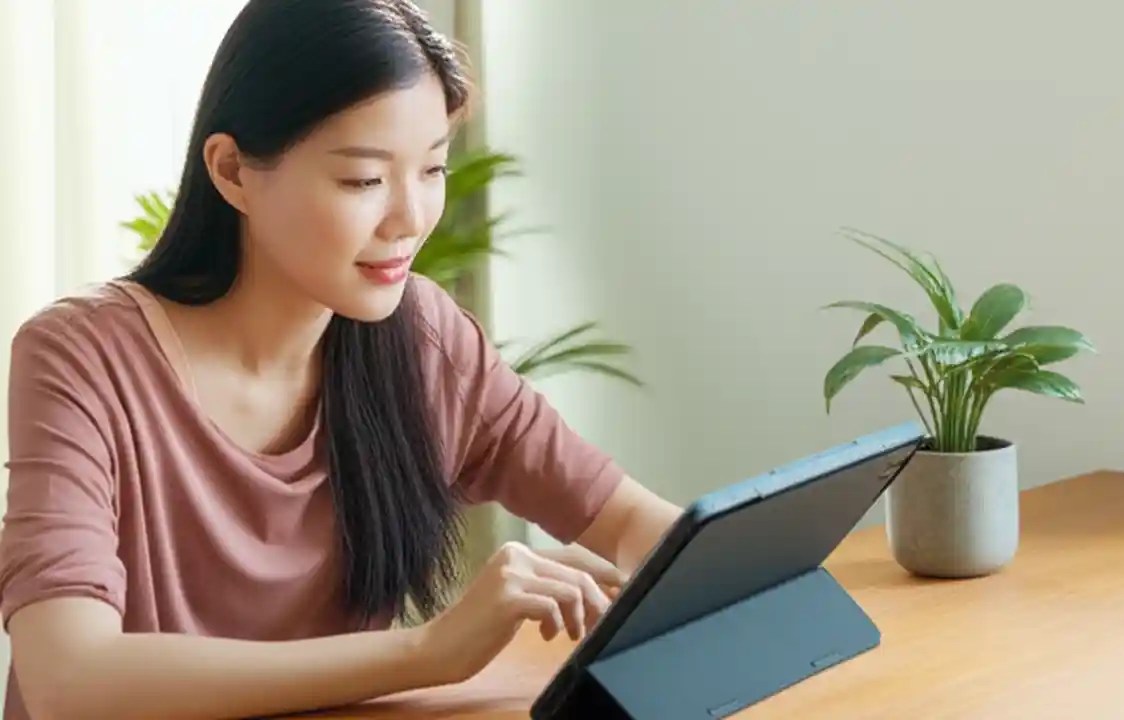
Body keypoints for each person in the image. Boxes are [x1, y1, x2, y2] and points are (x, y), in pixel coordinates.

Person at [0, 1, 682, 718]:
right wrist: (429, 651)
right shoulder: (81, 359)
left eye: (432, 170)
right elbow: (68, 681)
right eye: (364, 180)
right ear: (232, 171)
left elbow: (638, 526)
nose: (411, 218)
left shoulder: (425, 342)